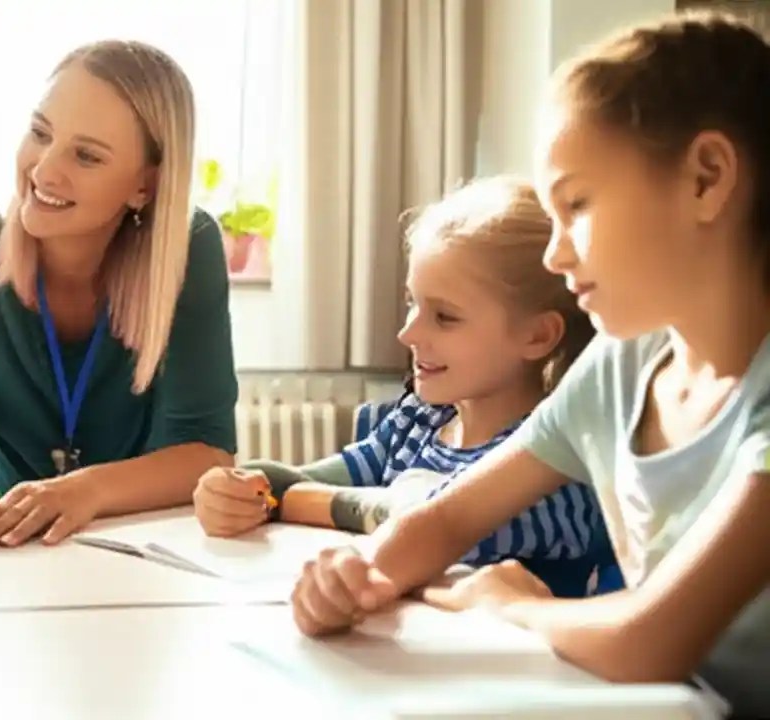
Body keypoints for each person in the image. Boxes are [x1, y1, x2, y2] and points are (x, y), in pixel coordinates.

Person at [289, 12, 770, 717]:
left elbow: (648, 645)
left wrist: (511, 604)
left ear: (705, 178)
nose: (555, 255)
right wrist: (361, 574)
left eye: (576, 205)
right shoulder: (621, 367)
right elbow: (448, 521)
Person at [193, 177, 611, 598]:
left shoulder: (556, 468)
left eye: (445, 317)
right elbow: (295, 482)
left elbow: (431, 521)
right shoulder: (417, 423)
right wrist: (243, 491)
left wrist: (297, 500)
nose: (408, 334)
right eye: (413, 303)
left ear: (537, 336)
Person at [0, 40, 238, 547]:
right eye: (40, 132)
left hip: (144, 549)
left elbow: (206, 452)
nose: (42, 171)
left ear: (145, 187)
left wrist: (86, 491)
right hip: (8, 551)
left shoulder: (189, 249)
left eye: (86, 155)